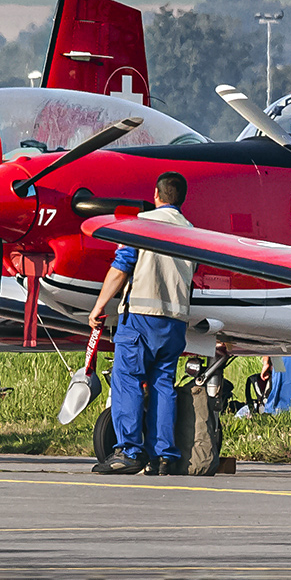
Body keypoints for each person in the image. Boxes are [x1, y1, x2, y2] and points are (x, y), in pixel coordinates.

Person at [89, 171, 198, 475]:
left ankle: (129, 451)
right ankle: (164, 455)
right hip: (175, 321)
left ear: (156, 194)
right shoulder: (192, 231)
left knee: (128, 381)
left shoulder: (141, 225)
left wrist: (99, 306)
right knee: (163, 385)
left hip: (140, 317)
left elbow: (121, 267)